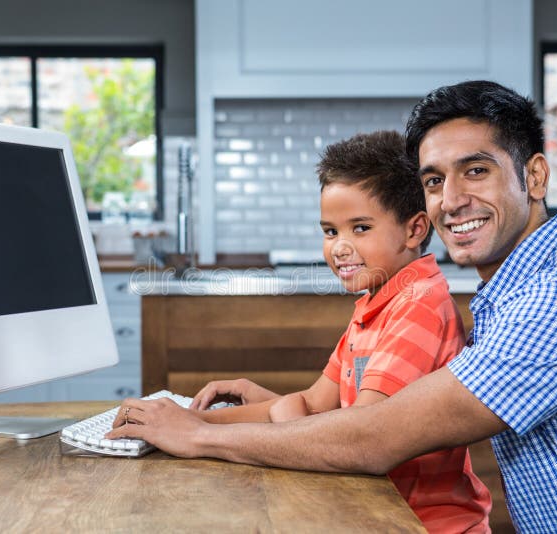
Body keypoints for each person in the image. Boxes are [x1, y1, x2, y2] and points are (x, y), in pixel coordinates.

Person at [109, 81, 557, 533]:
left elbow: (371, 437)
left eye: (475, 170)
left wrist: (197, 434)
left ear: (534, 176)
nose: (450, 201)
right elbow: (333, 411)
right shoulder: (528, 288)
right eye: (434, 181)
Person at [154, 130, 491, 532]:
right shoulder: (377, 302)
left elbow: (360, 434)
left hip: (424, 524)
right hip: (379, 512)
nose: (339, 247)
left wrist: (203, 432)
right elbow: (315, 405)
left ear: (414, 230)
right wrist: (192, 420)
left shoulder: (419, 305)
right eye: (331, 231)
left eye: (360, 228)